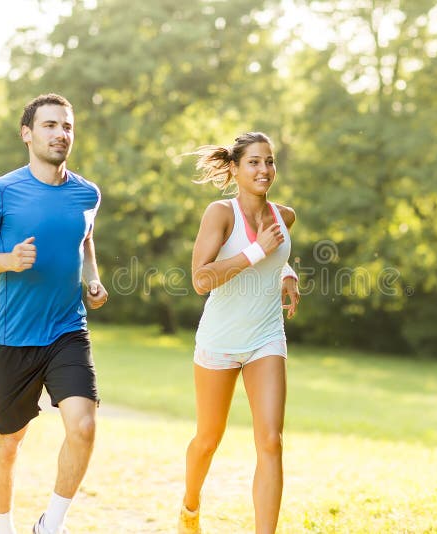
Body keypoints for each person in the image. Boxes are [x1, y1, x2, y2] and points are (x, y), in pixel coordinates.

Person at [0, 93, 108, 534]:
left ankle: (51, 525)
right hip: (13, 337)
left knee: (83, 426)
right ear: (27, 133)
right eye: (50, 125)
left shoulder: (87, 193)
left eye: (67, 126)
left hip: (67, 329)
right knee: (8, 442)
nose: (61, 133)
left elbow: (85, 239)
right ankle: (4, 527)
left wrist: (92, 279)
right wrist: (7, 260)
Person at [179, 132, 300, 534]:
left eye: (269, 161)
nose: (264, 169)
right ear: (234, 168)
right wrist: (256, 251)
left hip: (266, 337)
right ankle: (190, 506)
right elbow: (201, 280)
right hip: (220, 340)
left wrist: (286, 272)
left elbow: (277, 255)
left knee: (271, 441)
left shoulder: (285, 216)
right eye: (254, 162)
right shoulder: (221, 214)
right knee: (208, 439)